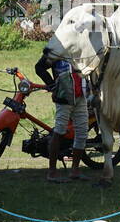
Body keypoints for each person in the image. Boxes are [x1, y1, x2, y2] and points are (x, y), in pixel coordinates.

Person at [35, 49, 87, 183]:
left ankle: (75, 170)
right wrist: (53, 86)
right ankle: (52, 172)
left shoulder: (81, 47)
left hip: (81, 96)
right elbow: (39, 68)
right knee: (59, 132)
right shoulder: (56, 50)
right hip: (64, 98)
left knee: (81, 133)